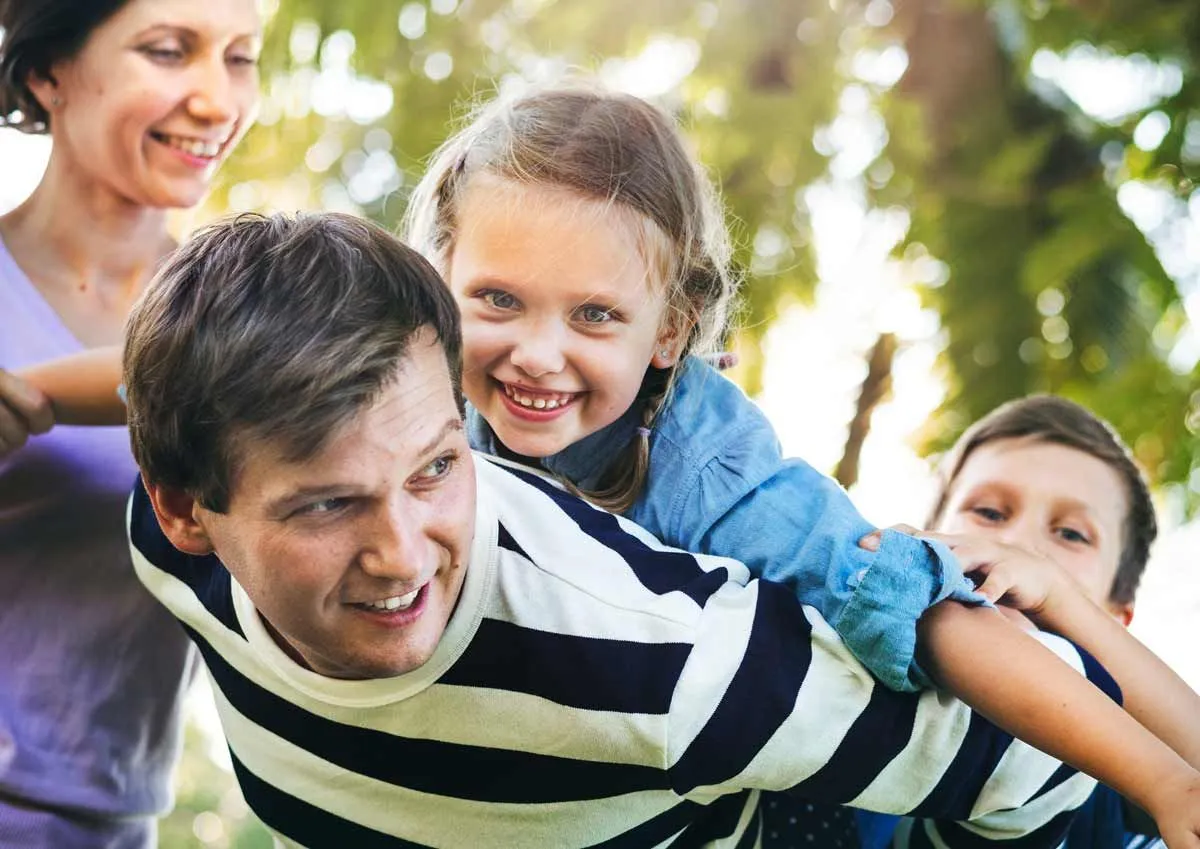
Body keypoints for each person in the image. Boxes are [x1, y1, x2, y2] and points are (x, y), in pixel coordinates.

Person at [19, 83, 1200, 843]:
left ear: (668, 335)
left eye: (595, 318)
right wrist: (23, 396)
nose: (537, 355)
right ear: (438, 282)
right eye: (497, 300)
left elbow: (925, 616)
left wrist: (1157, 778)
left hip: (770, 787)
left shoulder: (722, 477)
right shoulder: (404, 369)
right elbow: (178, 377)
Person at [0, 0, 260, 845]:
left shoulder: (247, 323)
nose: (218, 101)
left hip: (107, 827)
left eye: (240, 57)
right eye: (168, 50)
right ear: (48, 72)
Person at [861, 395, 1176, 849]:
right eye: (988, 512)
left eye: (1071, 534)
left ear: (1113, 621)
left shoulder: (1144, 817)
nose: (1016, 545)